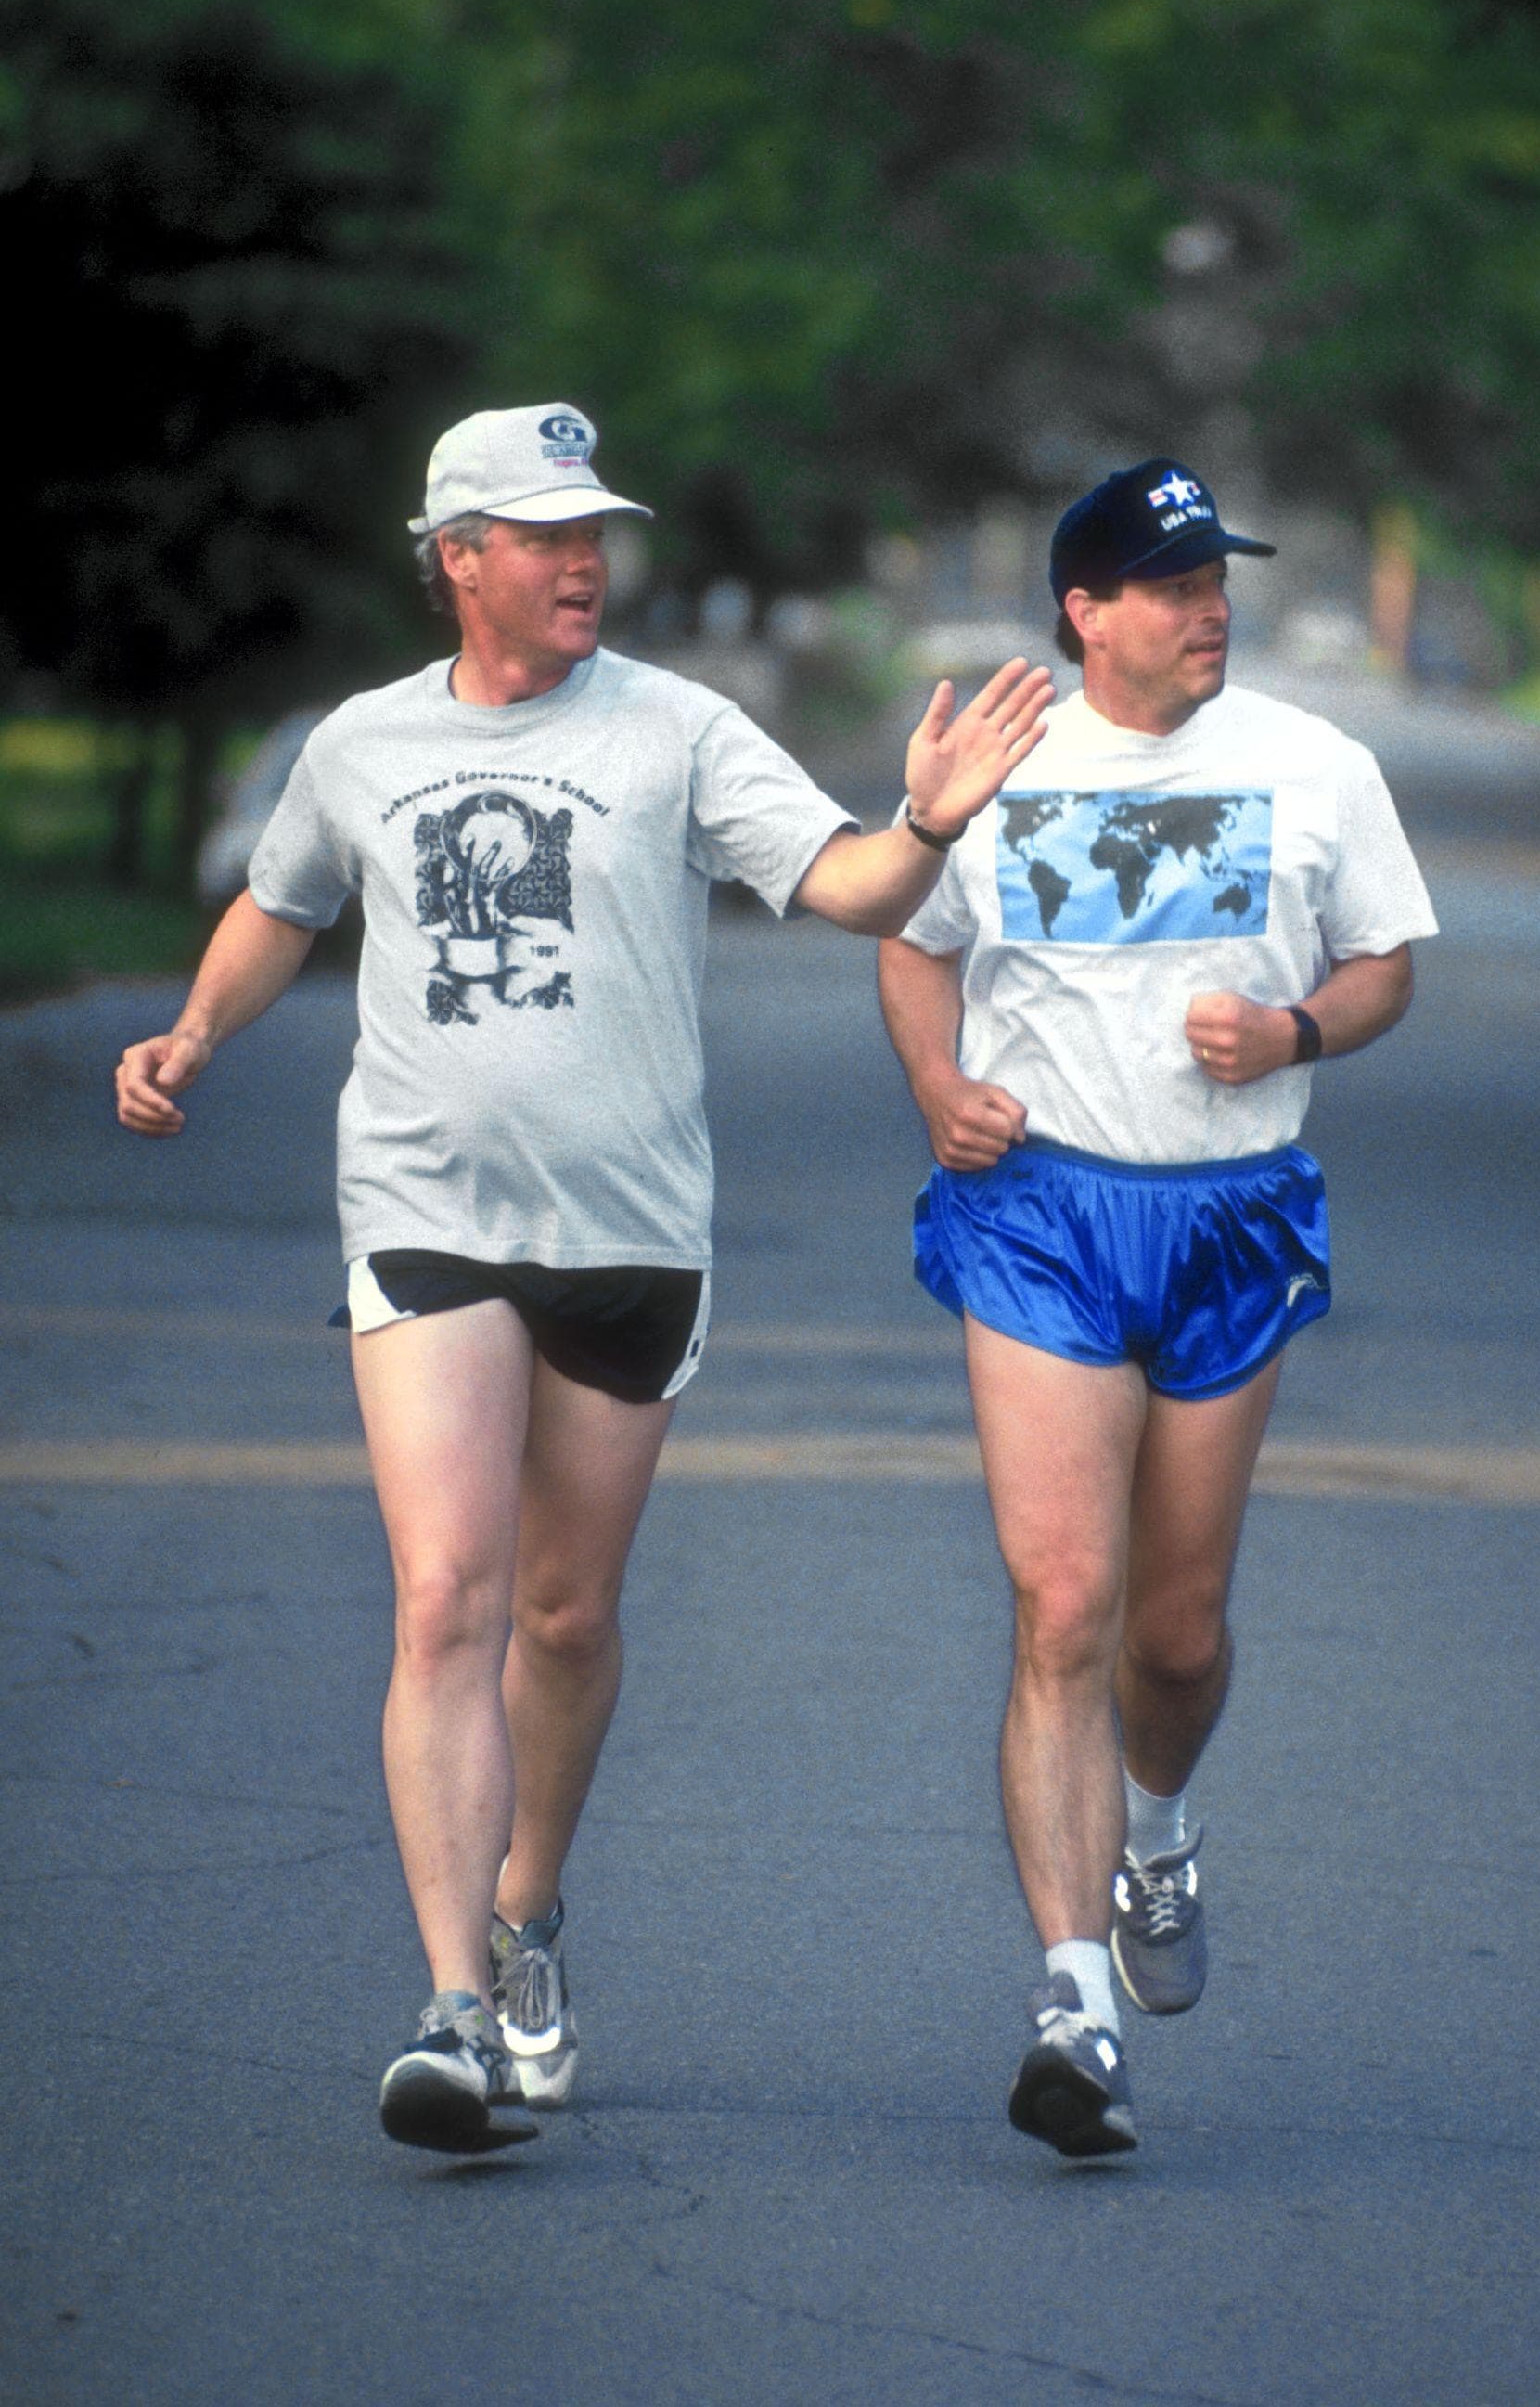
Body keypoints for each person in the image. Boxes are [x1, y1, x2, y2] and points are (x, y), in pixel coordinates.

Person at [115, 402, 1052, 2156]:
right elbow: (282, 904)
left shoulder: (675, 726)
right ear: (456, 556)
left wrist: (925, 822)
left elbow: (851, 886)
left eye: (592, 533)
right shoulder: (363, 743)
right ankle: (451, 2008)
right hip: (423, 1210)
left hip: (628, 1229)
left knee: (561, 1614)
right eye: (544, 535)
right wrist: (195, 1027)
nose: (582, 562)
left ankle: (527, 1905)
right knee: (443, 1596)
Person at [877, 458, 1436, 2158]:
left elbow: (1385, 962)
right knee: (1063, 1602)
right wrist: (936, 1085)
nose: (1210, 608)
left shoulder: (1314, 765)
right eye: (1174, 584)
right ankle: (1072, 2000)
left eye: (1217, 581)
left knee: (1172, 1634)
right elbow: (908, 935)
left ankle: (1159, 1826)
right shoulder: (1007, 763)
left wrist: (1296, 1032)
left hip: (1227, 1214)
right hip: (1040, 1209)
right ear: (1085, 611)